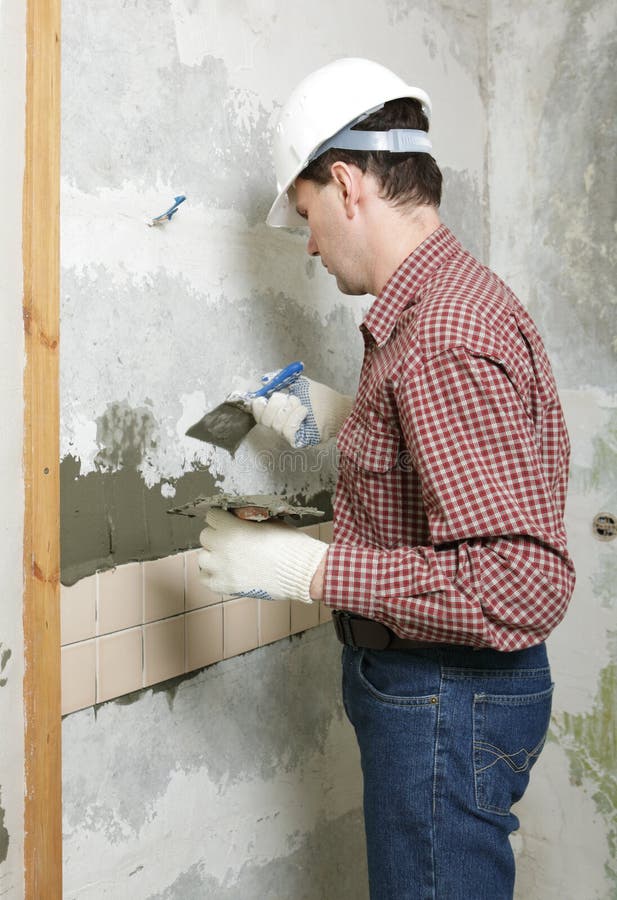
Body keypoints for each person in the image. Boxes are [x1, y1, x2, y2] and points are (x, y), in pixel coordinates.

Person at [198, 58, 576, 900]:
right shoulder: (447, 298)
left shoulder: (441, 331)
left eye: (306, 216)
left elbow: (519, 583)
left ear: (345, 184)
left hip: (445, 696)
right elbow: (463, 465)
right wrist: (348, 418)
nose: (310, 243)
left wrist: (309, 571)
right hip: (441, 694)